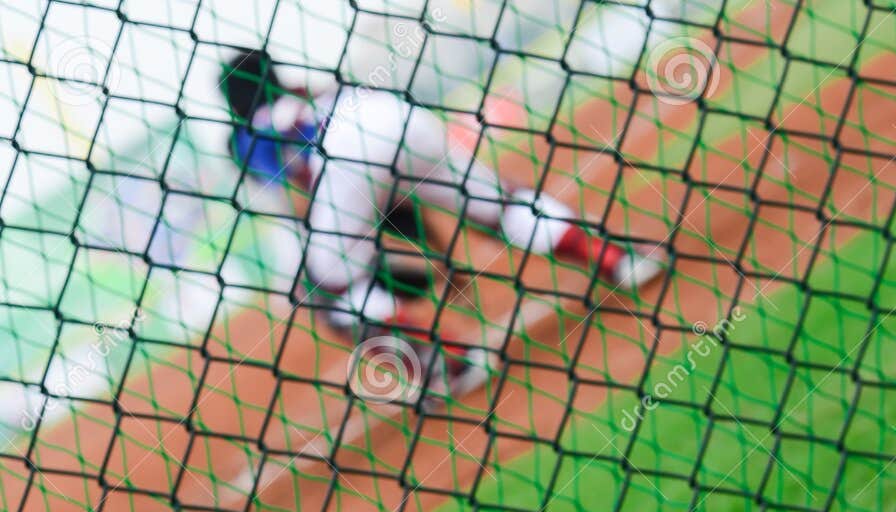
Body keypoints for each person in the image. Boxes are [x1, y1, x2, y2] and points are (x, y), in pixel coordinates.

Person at [219, 48, 661, 404]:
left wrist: (364, 261)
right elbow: (392, 190)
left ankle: (453, 362)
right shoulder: (314, 88)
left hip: (342, 157)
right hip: (392, 114)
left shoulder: (246, 138)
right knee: (499, 207)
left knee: (331, 288)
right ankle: (618, 259)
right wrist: (436, 251)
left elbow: (303, 201)